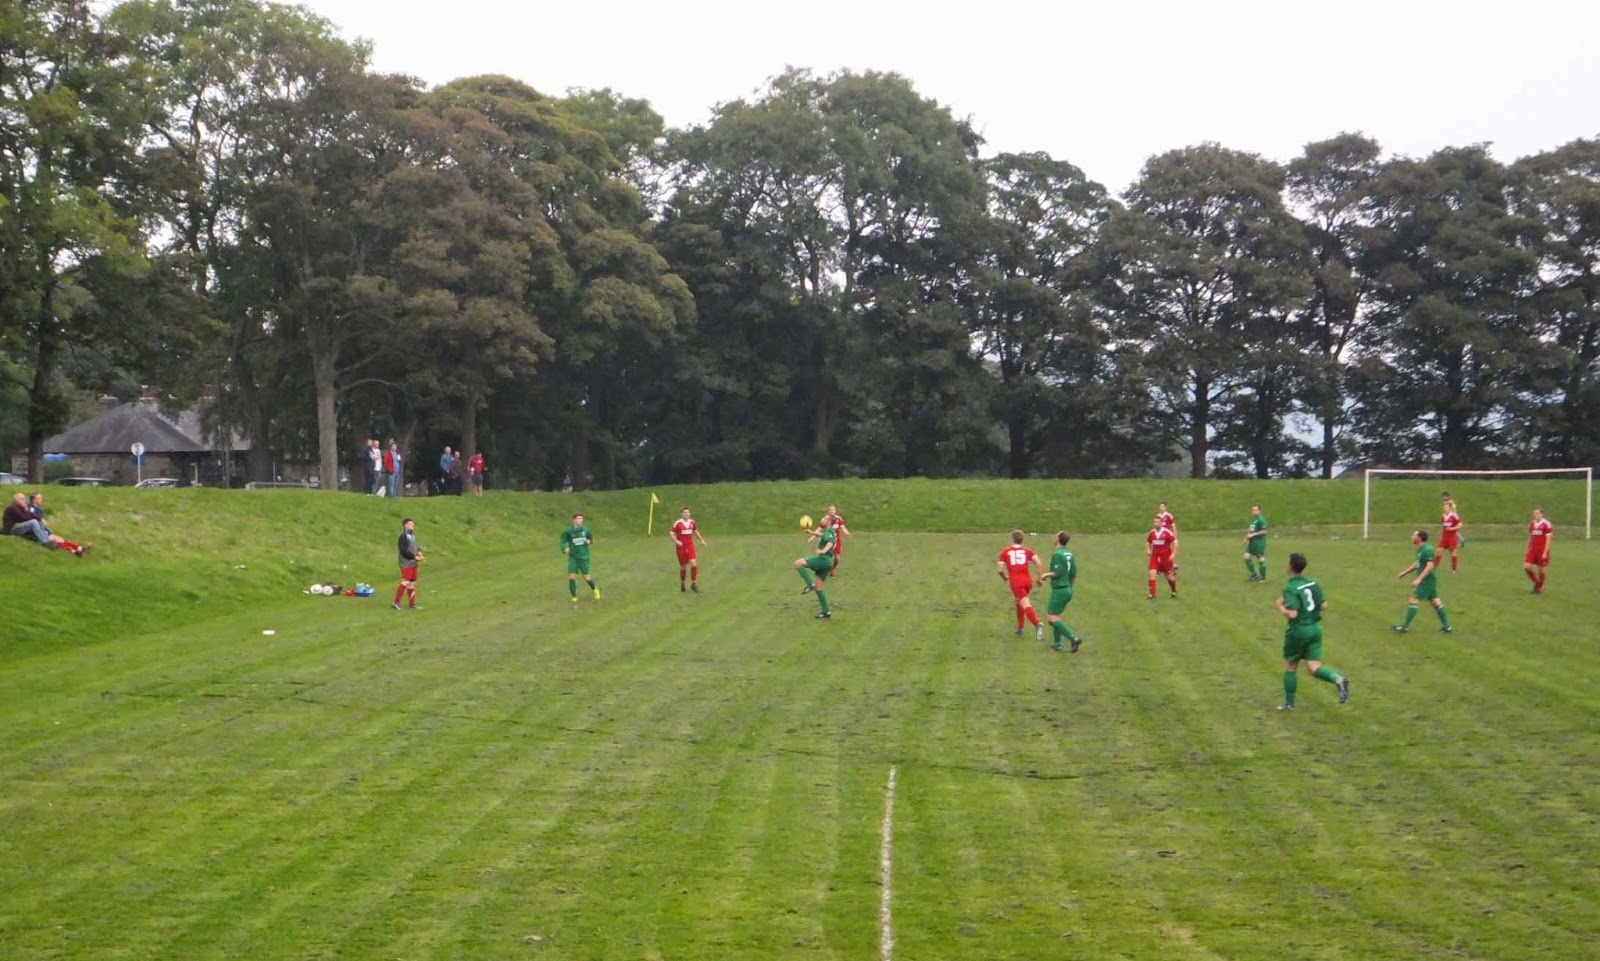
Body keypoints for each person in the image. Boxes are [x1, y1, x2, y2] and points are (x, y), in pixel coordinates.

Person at [1275, 552, 1349, 710]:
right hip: (1315, 629)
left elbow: (1293, 614)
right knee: (1314, 667)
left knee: (1290, 666)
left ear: (1290, 566)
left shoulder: (1290, 587)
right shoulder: (1313, 583)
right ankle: (1338, 679)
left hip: (1298, 631)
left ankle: (1289, 703)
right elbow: (1324, 605)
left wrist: (1281, 607)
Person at [1393, 529, 1451, 633]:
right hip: (1430, 580)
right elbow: (1417, 564)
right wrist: (1404, 572)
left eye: (1414, 535)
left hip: (1427, 580)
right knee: (1435, 602)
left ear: (1419, 538)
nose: (1411, 536)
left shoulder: (1427, 550)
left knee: (1413, 600)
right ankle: (1447, 627)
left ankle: (1405, 627)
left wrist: (1419, 579)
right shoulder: (1421, 549)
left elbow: (1430, 566)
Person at [3, 493, 89, 555]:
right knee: (35, 523)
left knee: (57, 537)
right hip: (12, 528)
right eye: (22, 499)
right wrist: (26, 510)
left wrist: (40, 519)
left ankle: (76, 549)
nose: (24, 500)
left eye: (24, 499)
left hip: (24, 527)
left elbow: (30, 516)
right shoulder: (13, 508)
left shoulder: (22, 507)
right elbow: (23, 518)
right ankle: (47, 542)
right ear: (16, 500)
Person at [996, 530, 1045, 639]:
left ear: (1012, 539)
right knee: (1019, 602)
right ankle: (1020, 628)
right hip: (1028, 581)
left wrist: (1004, 577)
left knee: (1024, 603)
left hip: (1016, 582)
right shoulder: (1028, 551)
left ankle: (1037, 624)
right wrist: (1040, 577)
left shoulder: (1005, 552)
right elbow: (1038, 562)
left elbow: (1000, 570)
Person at [1039, 530, 1082, 653]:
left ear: (1057, 539)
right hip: (1067, 588)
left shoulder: (1057, 554)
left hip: (1060, 589)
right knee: (1057, 617)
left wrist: (1045, 575)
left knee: (1051, 619)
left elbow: (1056, 573)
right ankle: (1057, 644)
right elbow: (1073, 574)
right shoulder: (1070, 554)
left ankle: (1073, 638)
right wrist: (1069, 587)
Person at [794, 521, 837, 618]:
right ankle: (826, 611)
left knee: (798, 563)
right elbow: (821, 535)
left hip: (823, 559)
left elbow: (830, 542)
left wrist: (823, 551)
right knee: (819, 587)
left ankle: (810, 585)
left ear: (829, 522)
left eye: (826, 519)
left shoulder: (829, 532)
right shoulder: (828, 531)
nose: (823, 520)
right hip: (828, 562)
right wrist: (811, 532)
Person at [561, 513, 600, 602]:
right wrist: (564, 548)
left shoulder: (586, 530)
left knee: (586, 577)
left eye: (582, 519)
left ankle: (595, 590)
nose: (581, 520)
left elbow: (591, 539)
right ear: (574, 520)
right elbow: (562, 542)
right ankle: (574, 596)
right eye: (579, 519)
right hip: (573, 557)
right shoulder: (568, 531)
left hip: (583, 557)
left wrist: (589, 541)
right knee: (572, 576)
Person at [670, 506, 708, 592]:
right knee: (683, 567)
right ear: (682, 514)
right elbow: (671, 533)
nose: (686, 514)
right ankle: (682, 583)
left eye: (688, 512)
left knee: (694, 564)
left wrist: (702, 540)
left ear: (689, 513)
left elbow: (695, 531)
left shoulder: (692, 522)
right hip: (681, 548)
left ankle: (694, 584)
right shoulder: (678, 523)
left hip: (690, 546)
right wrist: (676, 541)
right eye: (684, 512)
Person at [808, 504, 851, 574]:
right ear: (828, 511)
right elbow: (819, 529)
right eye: (830, 510)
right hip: (826, 541)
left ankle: (833, 568)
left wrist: (847, 533)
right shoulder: (824, 520)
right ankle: (821, 570)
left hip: (837, 541)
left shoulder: (838, 519)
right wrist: (812, 538)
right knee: (824, 556)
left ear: (835, 511)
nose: (832, 511)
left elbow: (843, 527)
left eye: (833, 510)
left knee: (837, 558)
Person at [1146, 515, 1179, 600]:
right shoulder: (1152, 532)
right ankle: (1152, 595)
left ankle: (1173, 591)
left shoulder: (1167, 532)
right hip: (1155, 557)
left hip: (1166, 558)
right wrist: (1148, 550)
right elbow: (1148, 542)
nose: (1155, 524)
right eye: (1154, 522)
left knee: (1169, 577)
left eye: (1157, 522)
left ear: (1161, 523)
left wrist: (1173, 554)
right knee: (1151, 575)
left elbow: (1175, 542)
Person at [393, 518, 423, 609]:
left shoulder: (413, 536)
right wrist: (414, 557)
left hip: (414, 563)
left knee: (412, 583)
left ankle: (412, 604)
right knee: (405, 581)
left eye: (413, 524)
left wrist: (419, 552)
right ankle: (396, 602)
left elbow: (415, 547)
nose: (413, 526)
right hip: (406, 563)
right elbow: (403, 550)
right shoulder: (403, 536)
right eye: (411, 524)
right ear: (405, 525)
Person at [1524, 507, 1553, 594]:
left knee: (1541, 570)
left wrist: (1545, 552)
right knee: (1527, 567)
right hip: (1532, 549)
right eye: (1534, 513)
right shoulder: (1532, 524)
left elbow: (1548, 539)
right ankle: (1538, 583)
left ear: (1542, 514)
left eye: (1537, 513)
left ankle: (1538, 588)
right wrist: (1527, 548)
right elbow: (1530, 536)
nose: (1535, 515)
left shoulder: (1547, 524)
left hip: (1542, 550)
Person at [1243, 504, 1269, 582]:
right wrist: (1246, 538)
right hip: (1252, 542)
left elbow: (1264, 531)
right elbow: (1250, 530)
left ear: (1259, 511)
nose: (1253, 511)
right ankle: (1254, 575)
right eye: (1253, 510)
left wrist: (1253, 535)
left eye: (1255, 510)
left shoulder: (1261, 519)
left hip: (1259, 542)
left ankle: (1263, 578)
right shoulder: (1254, 519)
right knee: (1246, 557)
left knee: (1260, 558)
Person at [1439, 497, 1463, 572]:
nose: (1444, 508)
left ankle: (1454, 569)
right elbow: (1444, 526)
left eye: (1446, 507)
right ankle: (1434, 567)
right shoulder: (1443, 516)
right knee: (1439, 551)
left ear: (1450, 508)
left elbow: (1460, 525)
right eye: (1444, 507)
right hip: (1444, 537)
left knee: (1453, 552)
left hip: (1452, 537)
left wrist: (1452, 529)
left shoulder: (1454, 515)